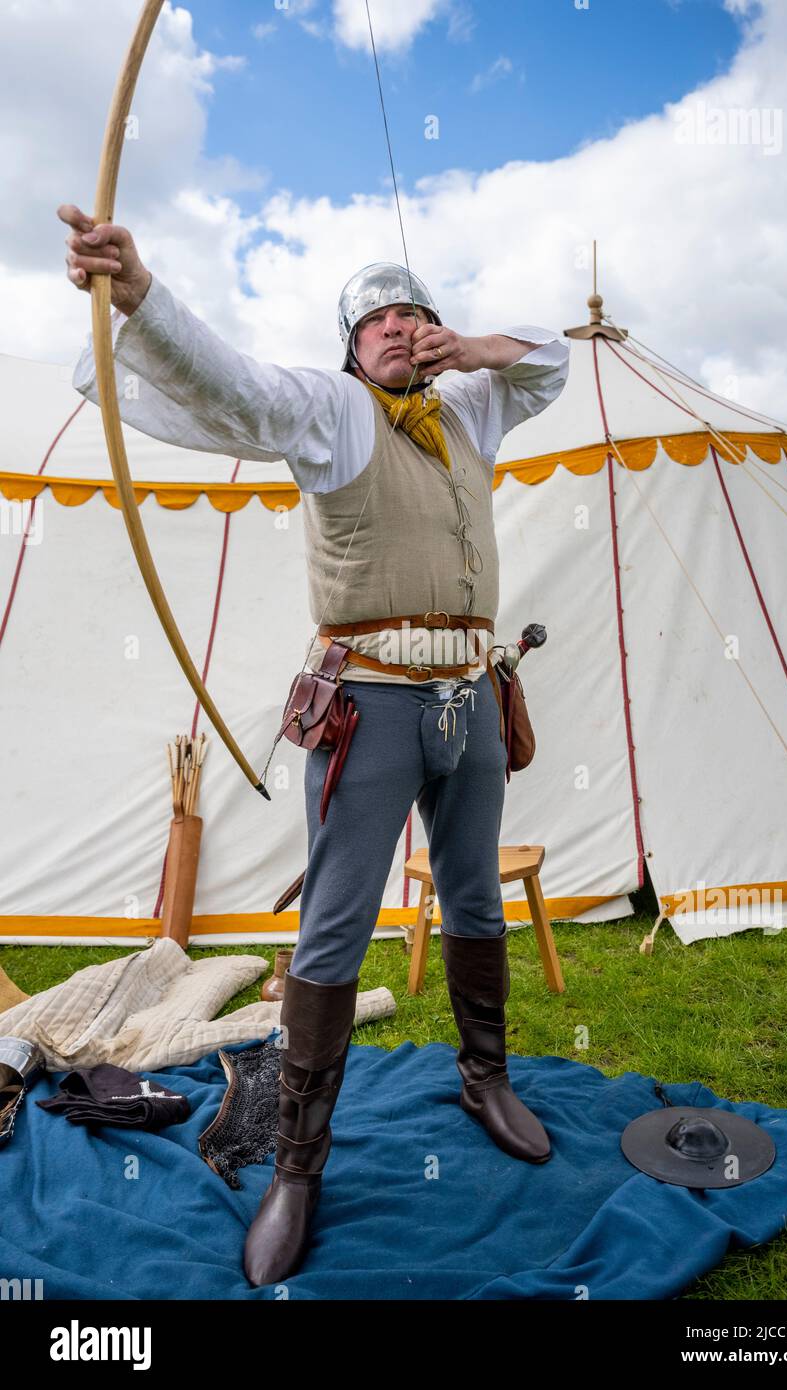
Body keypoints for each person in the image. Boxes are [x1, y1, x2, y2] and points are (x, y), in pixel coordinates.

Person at [58, 203, 570, 1286]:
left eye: (415, 313)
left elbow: (550, 361)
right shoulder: (332, 410)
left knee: (472, 895)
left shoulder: (470, 408)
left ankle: (485, 1076)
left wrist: (472, 347)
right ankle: (299, 1162)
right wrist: (141, 292)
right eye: (377, 318)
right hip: (370, 705)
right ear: (350, 347)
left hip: (470, 694)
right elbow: (230, 383)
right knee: (335, 930)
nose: (398, 326)